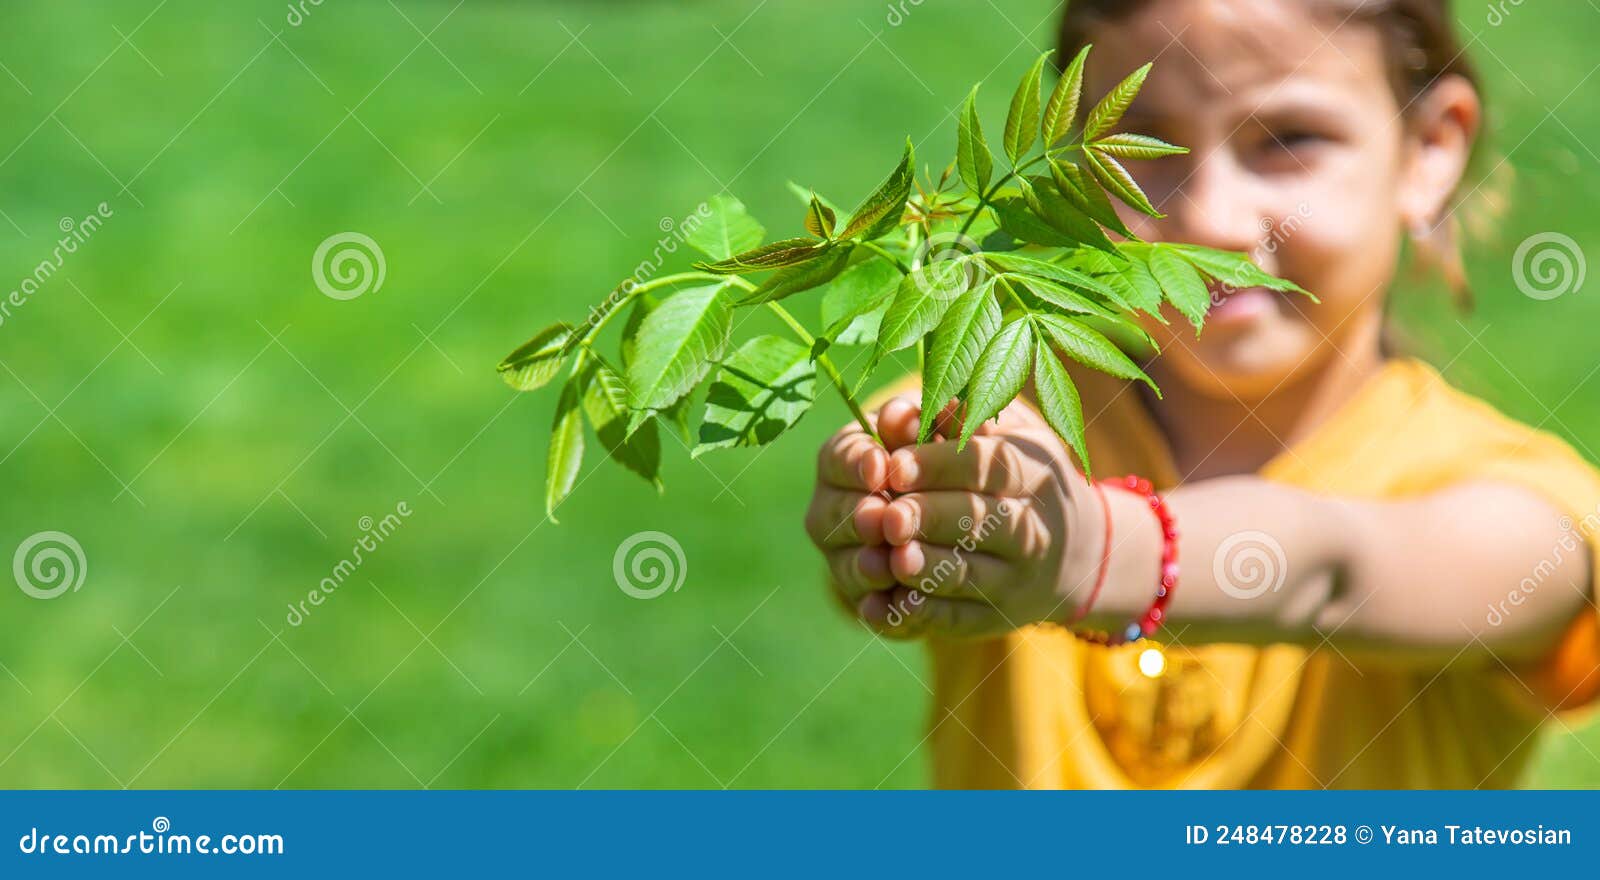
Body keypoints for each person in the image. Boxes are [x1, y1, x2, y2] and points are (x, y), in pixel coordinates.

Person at [805, 0, 1600, 788]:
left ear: (1430, 149)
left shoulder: (1527, 510)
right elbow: (909, 542)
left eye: (1289, 140)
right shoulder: (999, 416)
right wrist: (887, 522)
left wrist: (1094, 550)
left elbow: (1336, 573)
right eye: (1140, 148)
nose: (1209, 219)